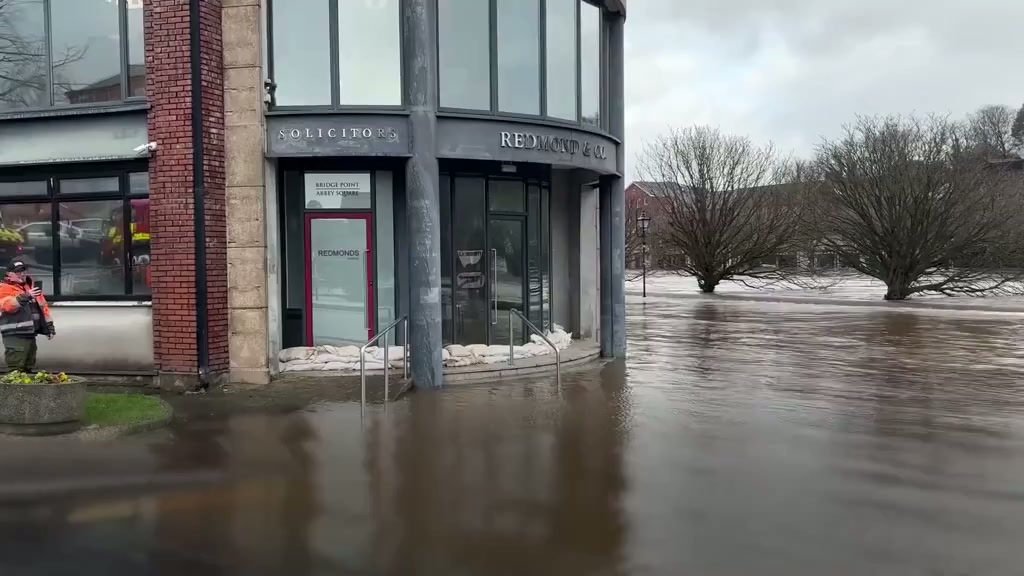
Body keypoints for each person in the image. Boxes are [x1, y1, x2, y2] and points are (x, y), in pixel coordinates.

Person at [0, 260, 54, 372]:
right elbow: (7, 305)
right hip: (14, 334)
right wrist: (25, 296)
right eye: (18, 272)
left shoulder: (30, 288)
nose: (22, 274)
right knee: (16, 368)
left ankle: (26, 389)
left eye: (23, 270)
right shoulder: (4, 288)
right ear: (9, 274)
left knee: (29, 366)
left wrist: (49, 325)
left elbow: (43, 307)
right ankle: (13, 389)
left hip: (30, 333)